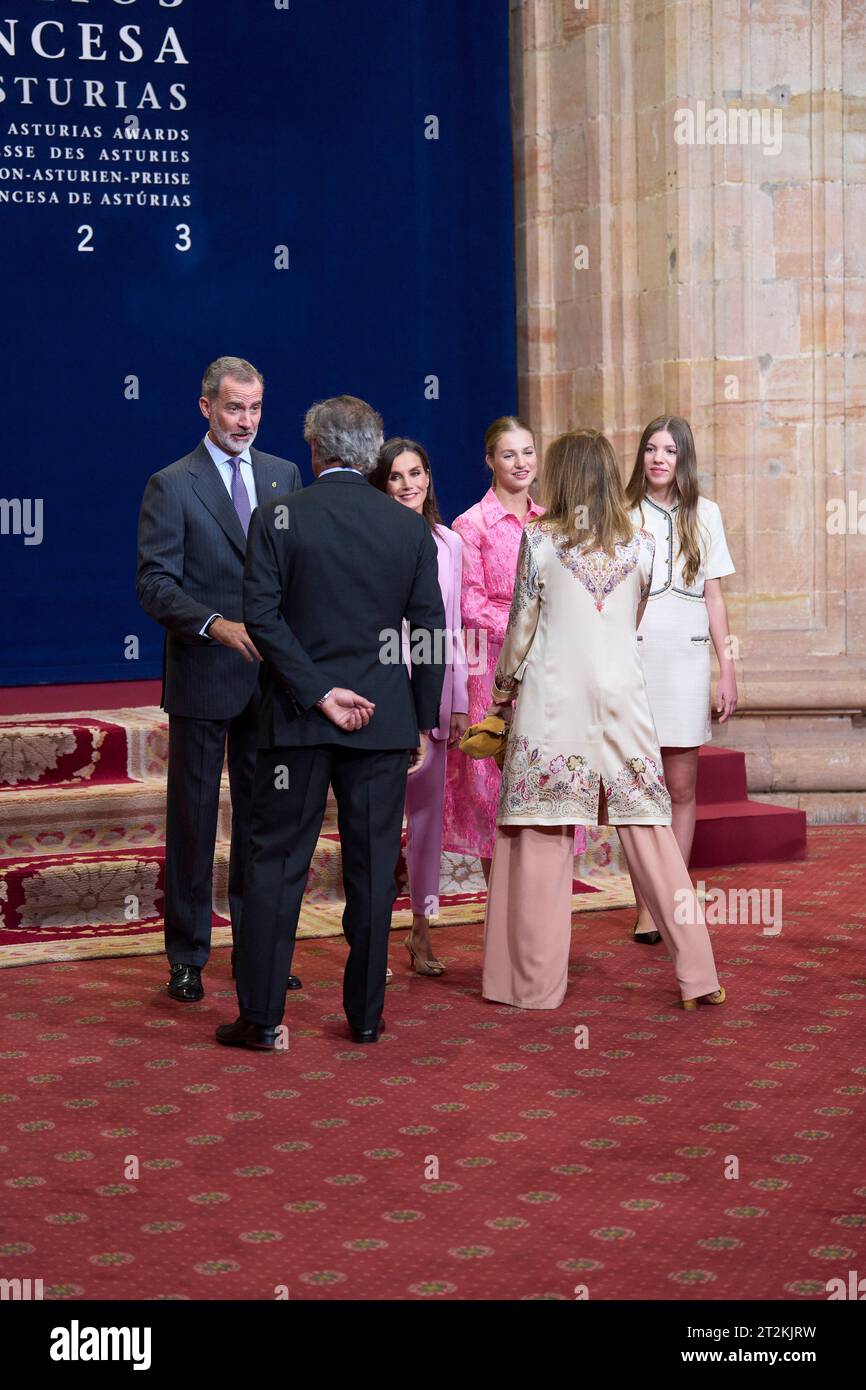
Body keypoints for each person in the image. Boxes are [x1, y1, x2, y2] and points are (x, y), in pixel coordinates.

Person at [215, 396, 446, 1052]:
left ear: (315, 450)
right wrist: (423, 721)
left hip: (295, 722)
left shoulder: (277, 517)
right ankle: (367, 1017)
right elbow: (430, 630)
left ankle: (262, 1020)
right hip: (381, 723)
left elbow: (261, 619)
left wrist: (318, 692)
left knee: (275, 865)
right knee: (374, 872)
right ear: (373, 456)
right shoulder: (408, 529)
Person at [482, 429, 723, 1013]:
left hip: (551, 710)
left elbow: (521, 628)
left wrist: (502, 691)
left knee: (541, 840)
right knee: (654, 841)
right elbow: (632, 618)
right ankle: (699, 976)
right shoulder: (641, 546)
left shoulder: (539, 540)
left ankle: (536, 988)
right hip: (624, 709)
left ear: (560, 477)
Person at [136, 356, 302, 1003]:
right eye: (235, 407)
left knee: (266, 822)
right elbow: (154, 584)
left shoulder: (285, 476)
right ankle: (187, 955)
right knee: (195, 822)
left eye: (256, 408)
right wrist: (214, 624)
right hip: (204, 675)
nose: (247, 421)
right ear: (206, 407)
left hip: (269, 682)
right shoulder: (172, 484)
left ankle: (257, 951)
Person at [442, 417, 586, 880]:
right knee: (494, 792)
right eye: (509, 454)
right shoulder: (472, 523)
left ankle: (542, 905)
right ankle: (501, 910)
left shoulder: (553, 523)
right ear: (489, 460)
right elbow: (471, 604)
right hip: (493, 670)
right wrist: (531, 628)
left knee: (546, 778)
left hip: (548, 669)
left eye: (528, 452)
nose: (521, 462)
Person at [625, 416, 738, 944]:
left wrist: (727, 668)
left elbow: (715, 596)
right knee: (639, 790)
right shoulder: (622, 513)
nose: (658, 458)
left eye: (669, 450)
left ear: (683, 458)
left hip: (688, 658)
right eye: (650, 448)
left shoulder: (706, 514)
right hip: (636, 656)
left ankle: (672, 900)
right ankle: (646, 905)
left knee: (681, 787)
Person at [369, 438, 469, 975]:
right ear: (381, 483)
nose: (408, 484)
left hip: (430, 695)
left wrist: (454, 701)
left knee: (428, 822)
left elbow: (448, 630)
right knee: (378, 822)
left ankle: (422, 933)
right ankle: (375, 942)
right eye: (396, 476)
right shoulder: (369, 537)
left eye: (416, 473)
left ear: (429, 478)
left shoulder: (450, 543)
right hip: (381, 692)